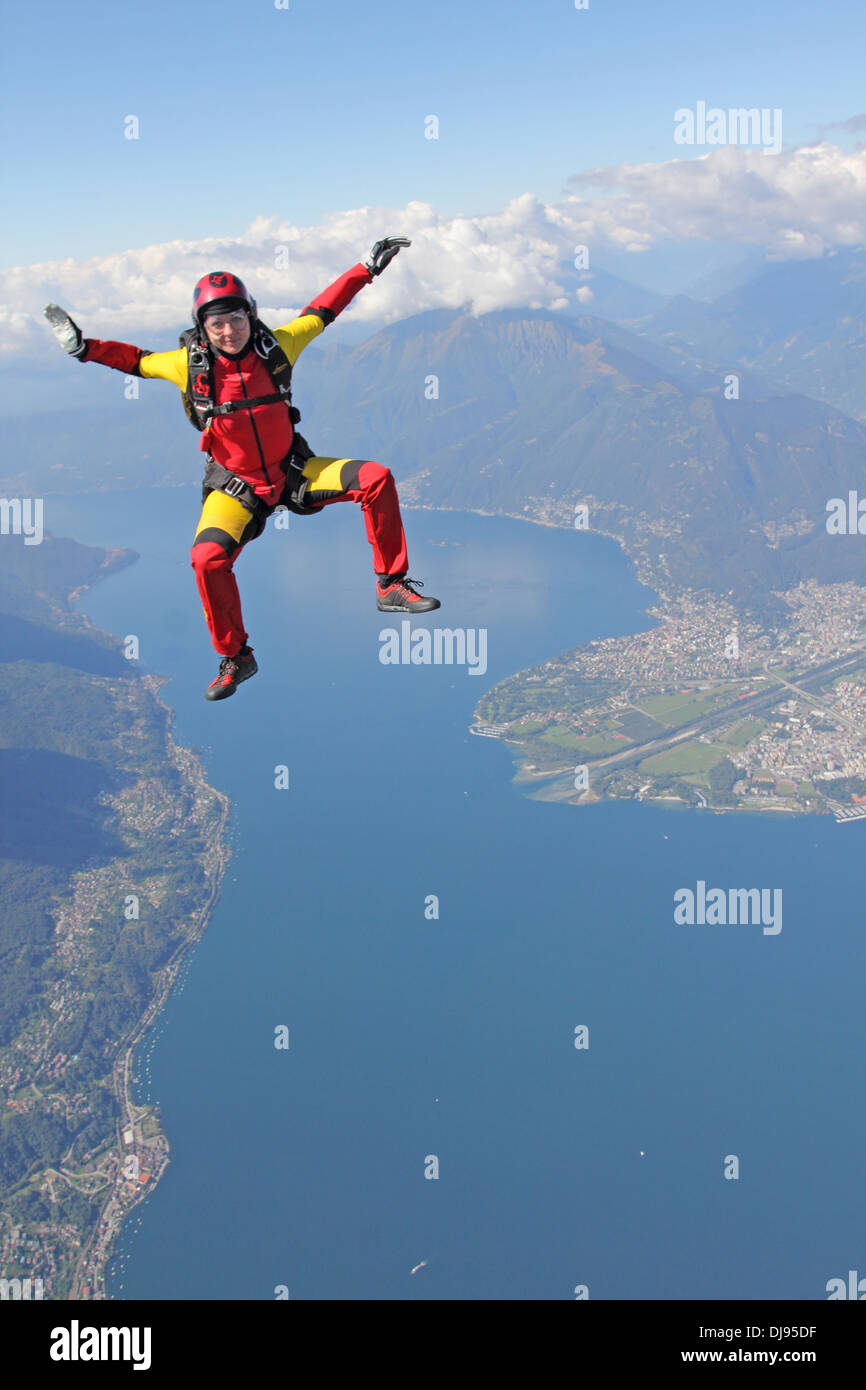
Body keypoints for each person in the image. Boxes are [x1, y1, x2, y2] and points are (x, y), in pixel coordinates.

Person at [44, 237, 440, 700]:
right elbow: (135, 361)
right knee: (207, 560)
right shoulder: (189, 367)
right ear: (203, 328)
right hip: (237, 487)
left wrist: (366, 268)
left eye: (235, 319)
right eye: (217, 323)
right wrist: (83, 347)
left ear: (250, 316)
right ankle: (236, 656)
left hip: (293, 471)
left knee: (376, 478)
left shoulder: (279, 347)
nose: (228, 331)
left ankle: (390, 585)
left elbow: (323, 311)